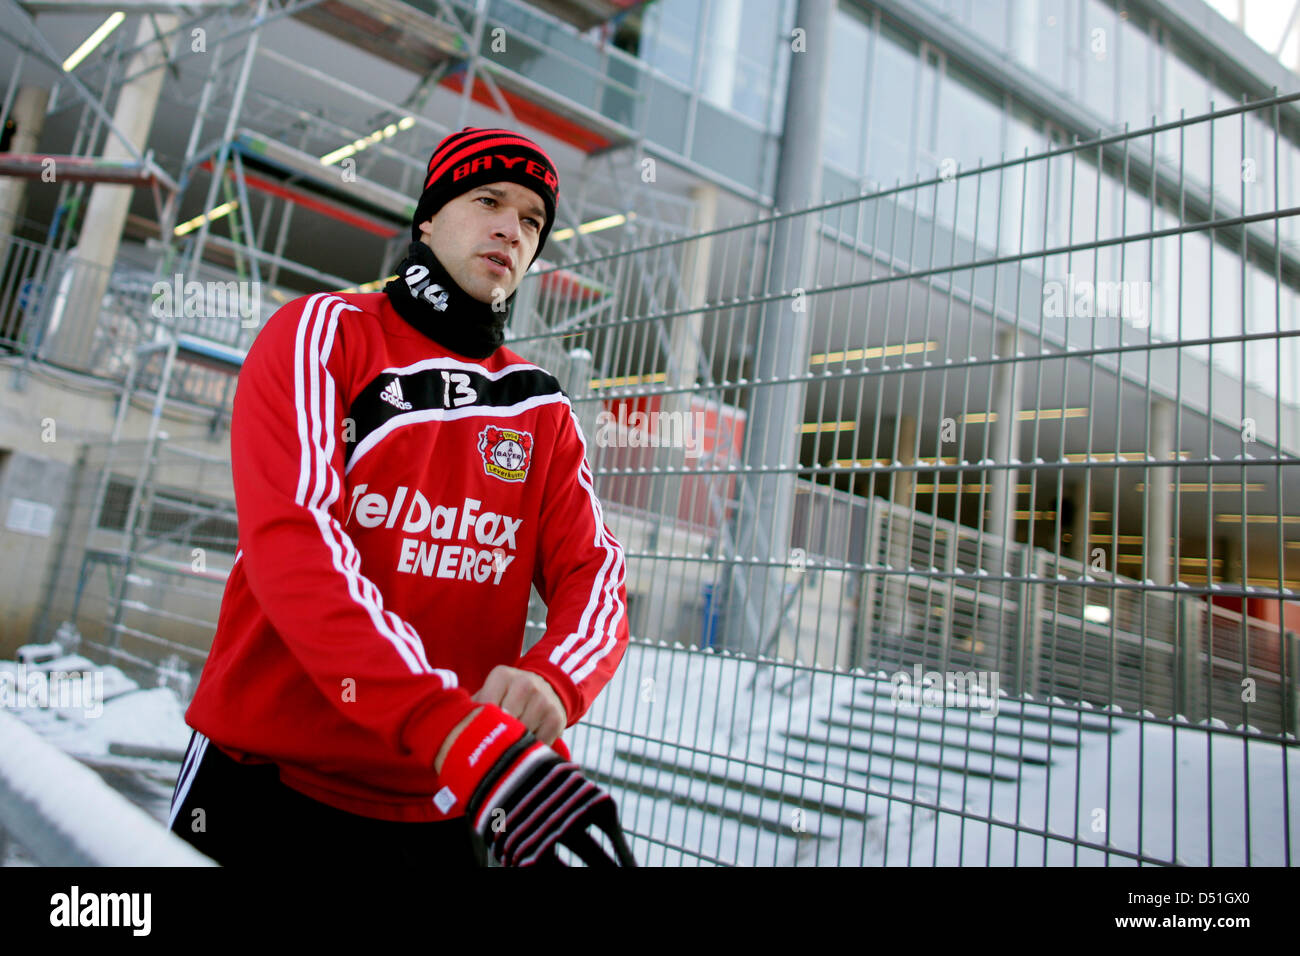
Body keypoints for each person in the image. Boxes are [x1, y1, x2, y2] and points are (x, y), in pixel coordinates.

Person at [168, 126, 634, 868]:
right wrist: (442, 722)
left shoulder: (540, 405)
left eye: (533, 220)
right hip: (265, 783)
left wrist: (556, 680)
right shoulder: (322, 333)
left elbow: (595, 576)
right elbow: (296, 539)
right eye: (489, 200)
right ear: (427, 217)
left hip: (452, 795)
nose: (512, 229)